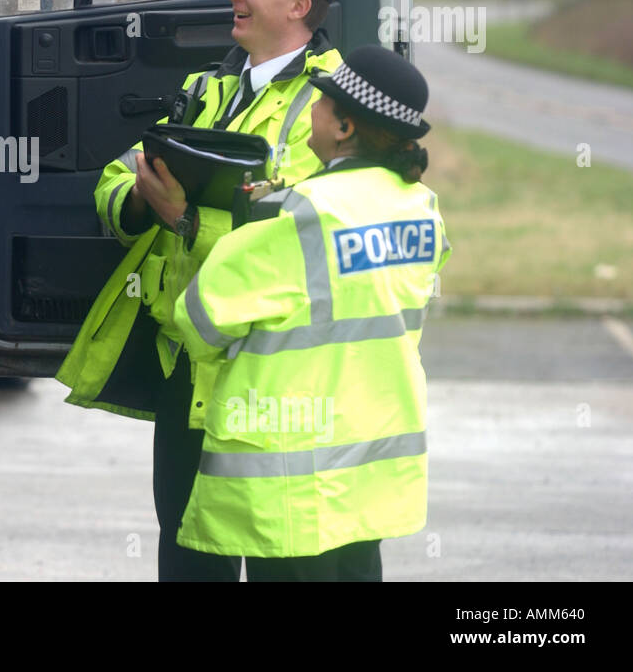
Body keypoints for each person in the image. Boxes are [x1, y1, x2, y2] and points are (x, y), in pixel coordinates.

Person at [56, 0, 358, 580]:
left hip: (279, 382)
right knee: (190, 558)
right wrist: (141, 199)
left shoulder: (334, 105)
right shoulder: (209, 89)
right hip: (189, 372)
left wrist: (190, 221)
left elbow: (306, 241)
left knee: (284, 562)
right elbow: (117, 173)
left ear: (298, 4)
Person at [170, 45, 450, 581]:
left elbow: (201, 316)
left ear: (343, 127)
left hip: (295, 486)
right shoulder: (422, 207)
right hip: (369, 480)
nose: (311, 112)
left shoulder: (305, 213)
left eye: (319, 104)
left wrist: (235, 220)